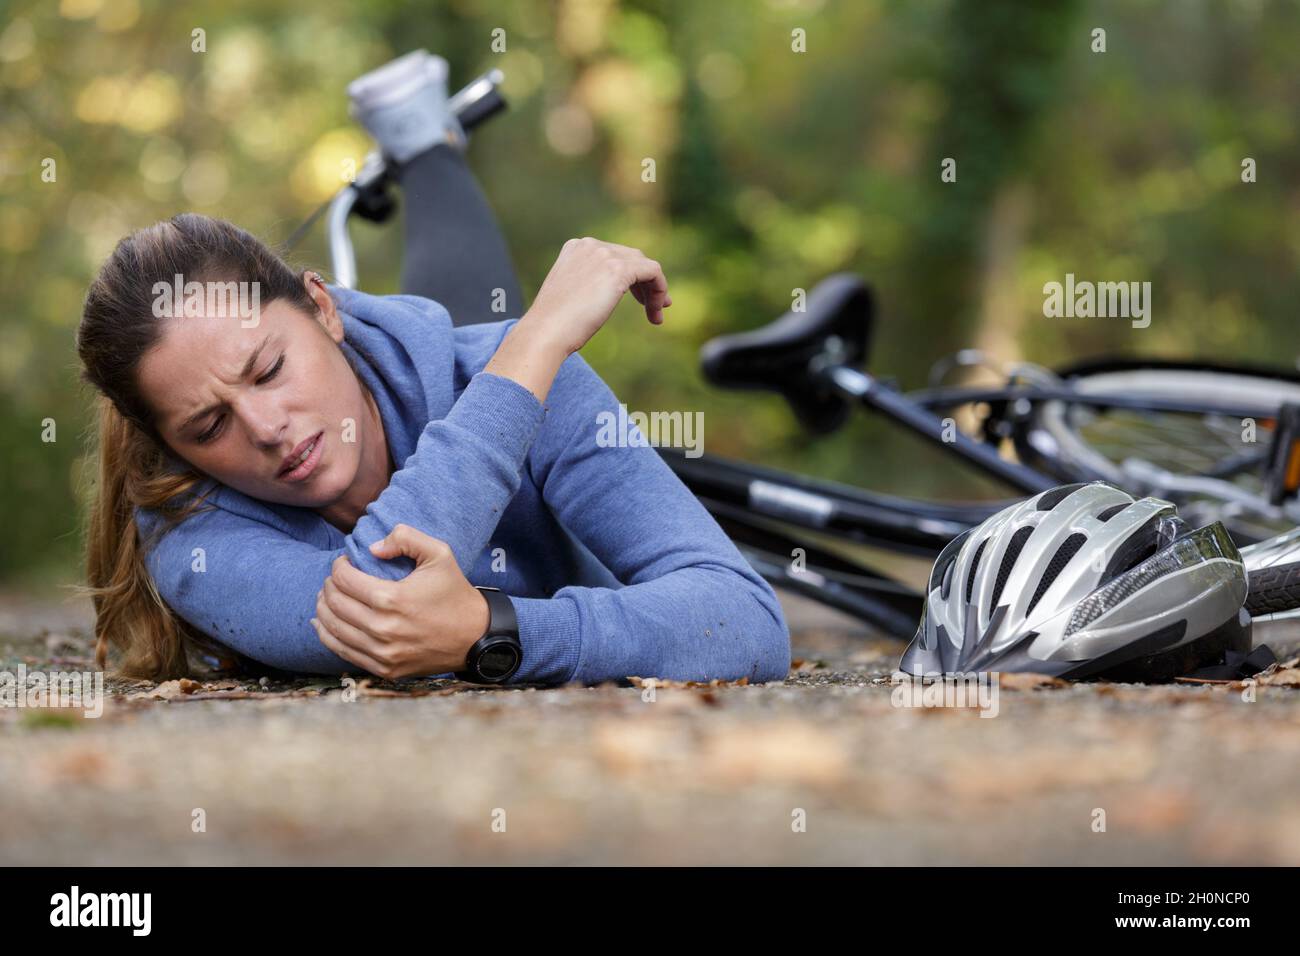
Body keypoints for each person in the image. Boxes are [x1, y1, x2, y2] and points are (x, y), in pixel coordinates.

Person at [74, 206, 790, 687]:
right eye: (209, 428)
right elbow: (382, 603)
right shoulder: (187, 532)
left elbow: (746, 622)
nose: (265, 427)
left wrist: (495, 630)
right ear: (173, 447)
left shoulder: (532, 381)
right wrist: (533, 344)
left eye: (268, 369)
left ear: (322, 308)